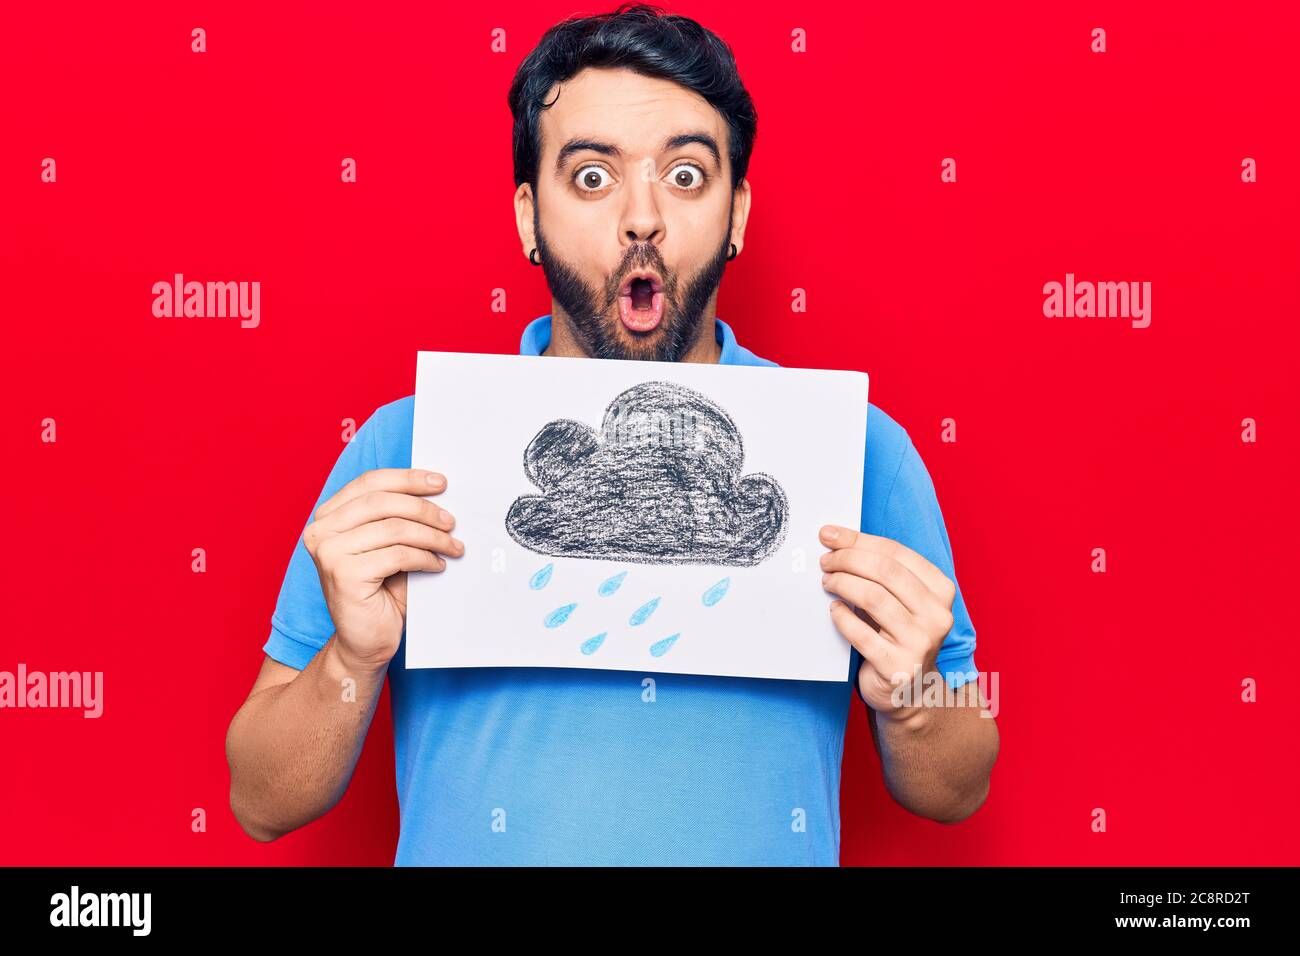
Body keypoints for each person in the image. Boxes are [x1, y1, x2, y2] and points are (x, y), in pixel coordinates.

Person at [225, 2, 999, 865]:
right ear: (528, 215)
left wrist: (917, 698)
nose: (642, 218)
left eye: (687, 175)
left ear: (738, 212)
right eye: (592, 176)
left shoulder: (859, 454)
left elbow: (956, 789)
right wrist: (351, 661)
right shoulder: (407, 451)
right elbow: (260, 803)